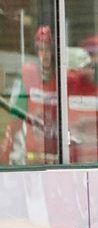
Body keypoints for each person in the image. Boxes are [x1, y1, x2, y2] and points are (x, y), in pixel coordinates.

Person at [0, 25, 59, 165]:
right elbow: (14, 121)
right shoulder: (28, 76)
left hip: (59, 158)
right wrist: (4, 155)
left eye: (47, 49)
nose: (44, 55)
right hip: (33, 159)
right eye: (40, 49)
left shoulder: (64, 79)